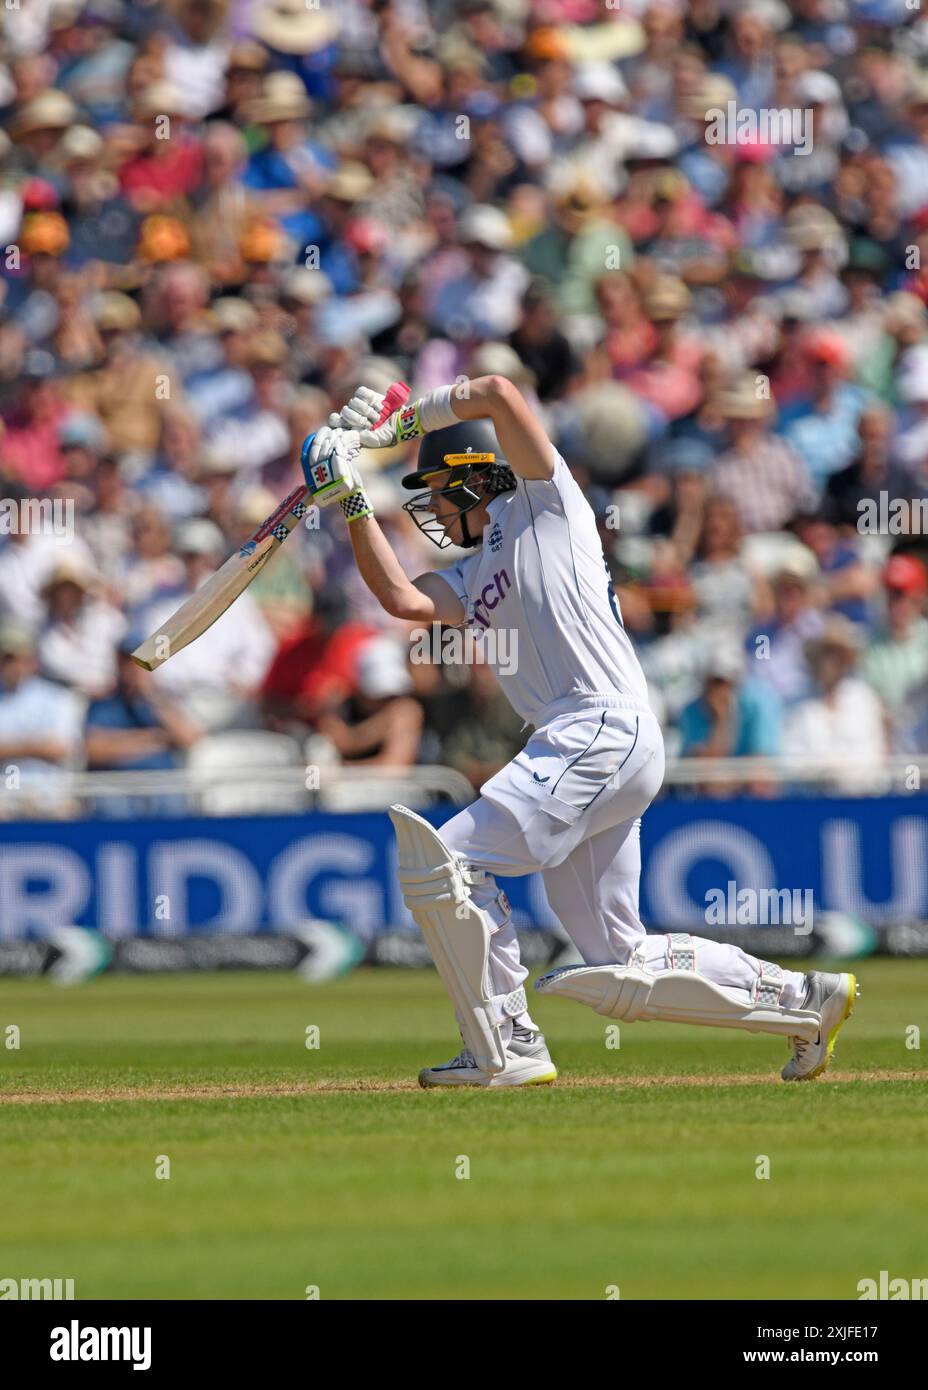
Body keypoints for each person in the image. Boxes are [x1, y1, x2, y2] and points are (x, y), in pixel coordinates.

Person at [300, 375, 859, 1088]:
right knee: (620, 958)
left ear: (475, 474)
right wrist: (347, 498)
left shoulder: (546, 498)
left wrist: (388, 433)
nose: (433, 508)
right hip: (595, 739)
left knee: (448, 864)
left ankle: (506, 1043)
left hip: (596, 727)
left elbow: (499, 392)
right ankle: (804, 1000)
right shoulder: (473, 575)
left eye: (438, 489)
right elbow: (401, 598)